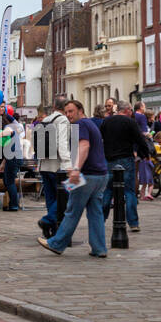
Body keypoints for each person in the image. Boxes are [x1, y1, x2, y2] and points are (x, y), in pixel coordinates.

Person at [37, 99, 108, 257]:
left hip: (86, 175)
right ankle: (99, 248)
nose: (68, 115)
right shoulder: (90, 124)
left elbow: (84, 146)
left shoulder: (81, 125)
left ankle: (57, 243)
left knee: (72, 210)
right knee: (95, 212)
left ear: (80, 110)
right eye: (67, 111)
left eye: (71, 111)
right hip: (100, 175)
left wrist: (75, 168)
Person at [100, 100, 148, 234]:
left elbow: (101, 139)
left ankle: (101, 220)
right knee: (129, 191)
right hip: (126, 159)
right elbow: (140, 140)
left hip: (109, 160)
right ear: (126, 110)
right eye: (131, 110)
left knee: (108, 190)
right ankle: (133, 223)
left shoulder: (106, 122)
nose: (132, 112)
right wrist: (145, 154)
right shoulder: (130, 122)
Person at [33, 96, 71, 237]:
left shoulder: (46, 119)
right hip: (57, 166)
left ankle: (53, 228)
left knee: (50, 199)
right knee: (65, 196)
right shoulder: (62, 120)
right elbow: (62, 144)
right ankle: (47, 221)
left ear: (54, 106)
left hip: (44, 165)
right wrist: (67, 164)